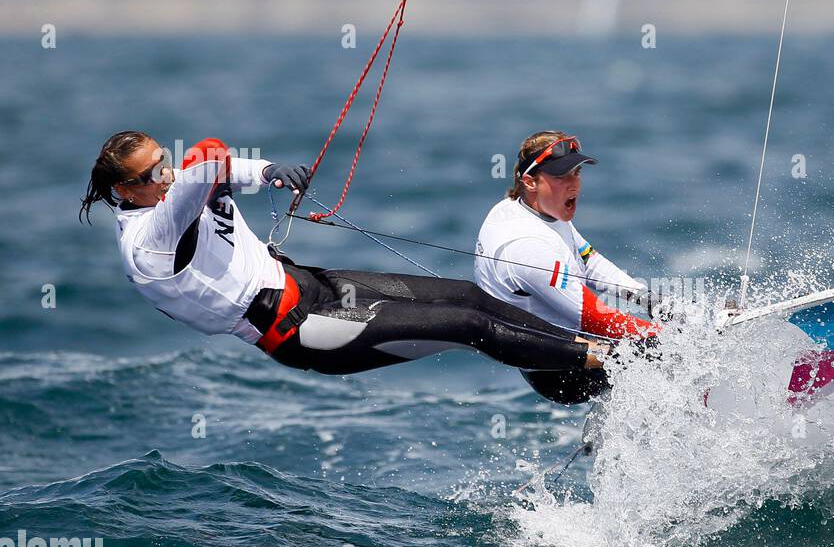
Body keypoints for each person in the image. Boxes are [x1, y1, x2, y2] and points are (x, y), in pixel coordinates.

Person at [81, 131, 608, 377]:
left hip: (313, 286)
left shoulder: (174, 192)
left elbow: (213, 171)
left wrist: (264, 172)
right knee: (469, 323)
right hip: (303, 333)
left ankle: (591, 343)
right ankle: (614, 366)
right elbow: (206, 169)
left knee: (470, 295)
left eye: (164, 160)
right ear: (126, 192)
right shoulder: (146, 243)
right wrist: (220, 165)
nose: (166, 173)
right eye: (153, 172)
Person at [475, 131, 658, 403]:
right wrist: (675, 339)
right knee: (669, 356)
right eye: (561, 176)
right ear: (530, 182)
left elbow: (589, 260)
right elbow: (596, 319)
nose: (574, 185)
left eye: (577, 172)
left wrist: (653, 301)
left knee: (655, 343)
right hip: (559, 372)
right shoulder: (527, 245)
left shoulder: (536, 208)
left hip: (577, 344)